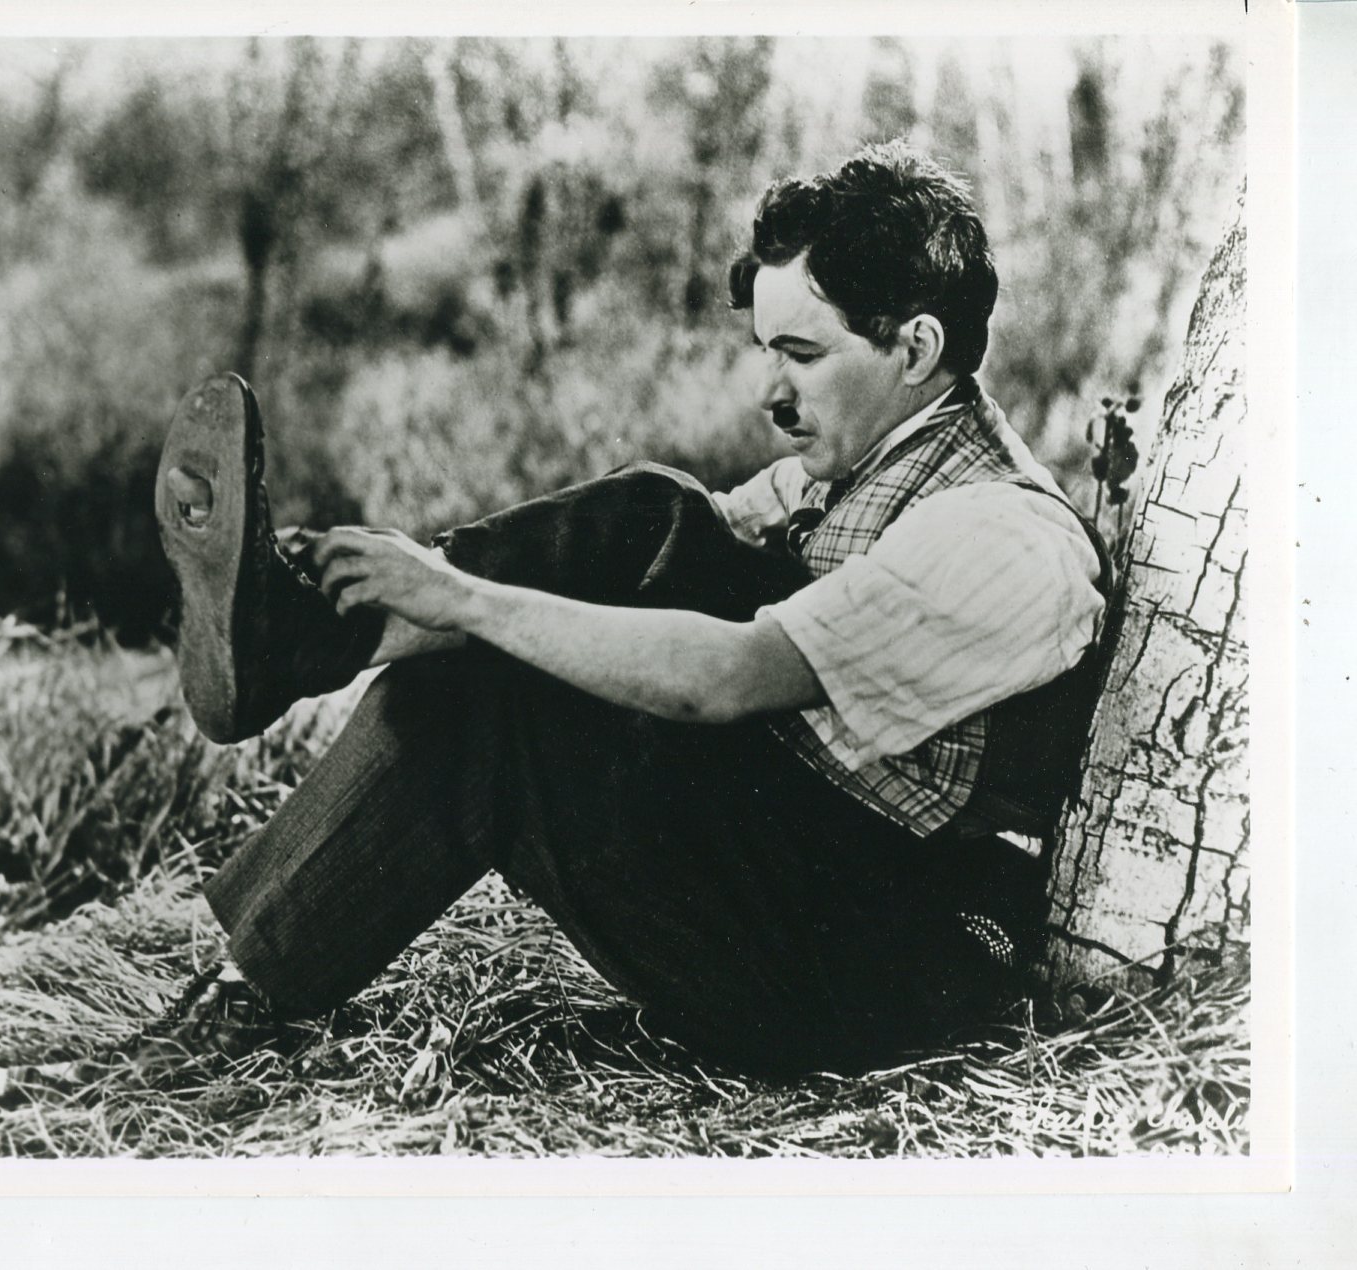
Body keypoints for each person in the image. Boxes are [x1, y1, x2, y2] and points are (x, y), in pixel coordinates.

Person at [149, 141, 1111, 1076]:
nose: (770, 393)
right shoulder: (863, 467)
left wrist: (461, 596)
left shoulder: (1003, 541)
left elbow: (726, 677)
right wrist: (442, 603)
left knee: (503, 691)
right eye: (766, 352)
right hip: (801, 868)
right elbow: (651, 552)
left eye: (801, 354)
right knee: (637, 524)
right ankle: (292, 655)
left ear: (915, 347)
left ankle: (294, 669)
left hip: (871, 968)